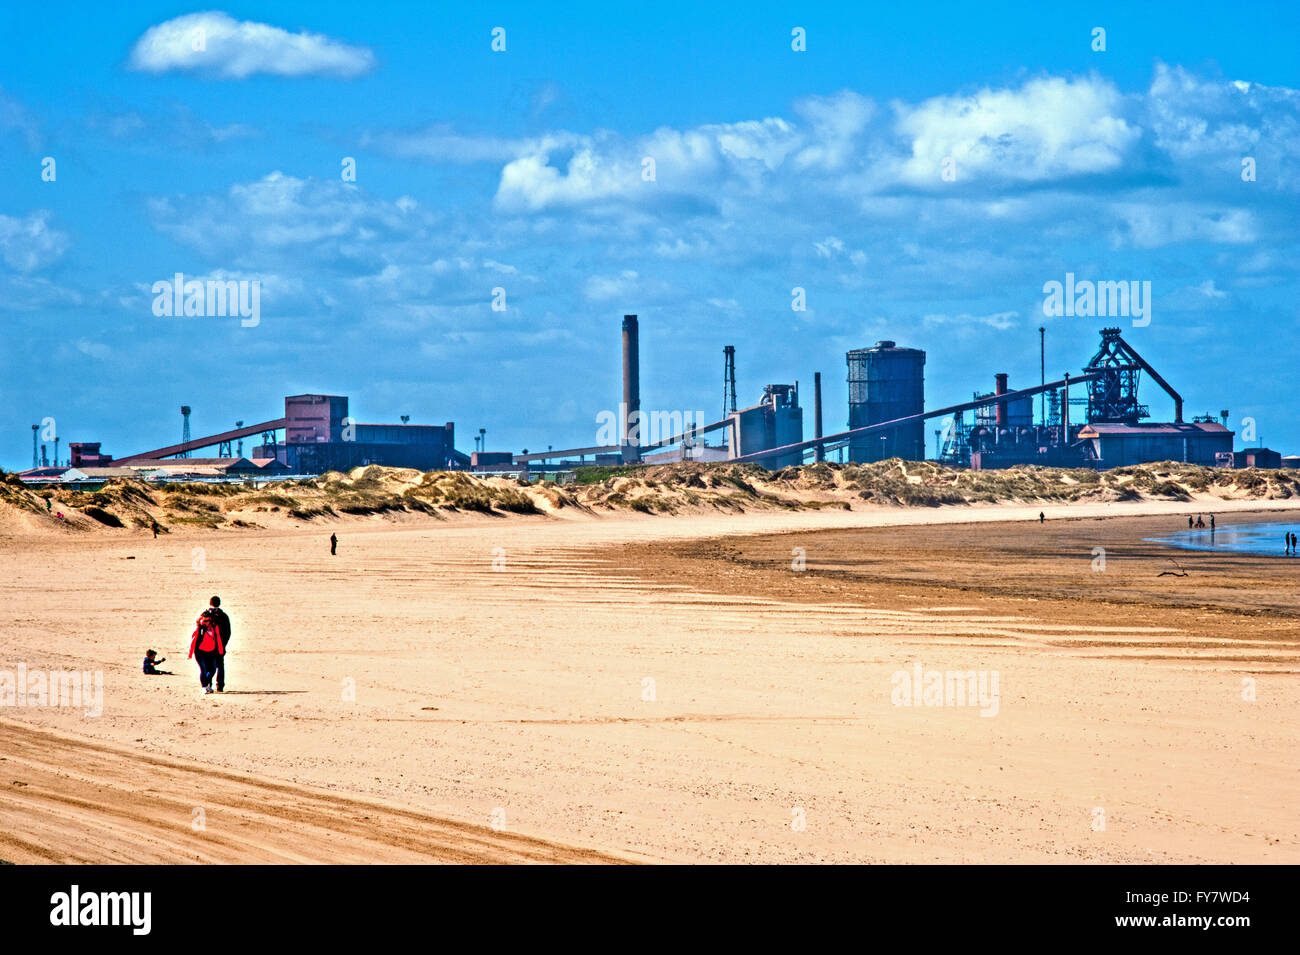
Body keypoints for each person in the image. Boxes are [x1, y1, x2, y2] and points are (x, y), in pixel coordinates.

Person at [189, 595, 232, 694]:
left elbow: (197, 632)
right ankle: (220, 685)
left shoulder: (203, 616)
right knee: (219, 666)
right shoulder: (223, 616)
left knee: (208, 667)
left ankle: (208, 684)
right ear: (219, 604)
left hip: (204, 647)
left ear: (210, 603)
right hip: (218, 646)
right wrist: (223, 644)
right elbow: (228, 632)